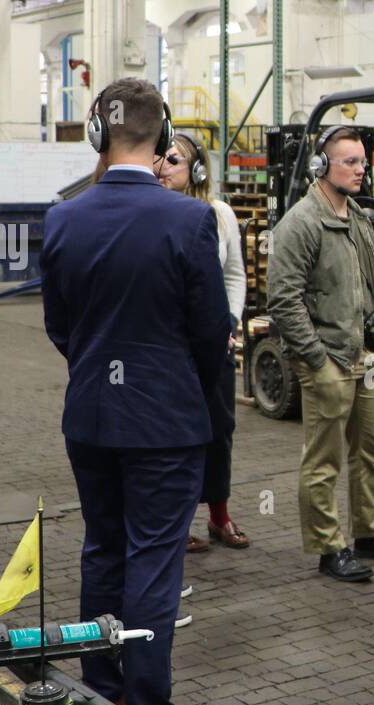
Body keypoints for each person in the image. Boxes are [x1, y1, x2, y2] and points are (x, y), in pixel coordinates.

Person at [41, 77, 238, 705]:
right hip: (167, 421)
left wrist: (100, 369)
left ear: (98, 133)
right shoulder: (190, 219)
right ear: (162, 137)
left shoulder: (63, 217)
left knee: (102, 550)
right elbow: (212, 331)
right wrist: (184, 385)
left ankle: (101, 691)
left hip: (92, 415)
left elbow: (59, 326)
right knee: (154, 564)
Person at [267, 125, 374, 583]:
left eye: (362, 161)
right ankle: (328, 545)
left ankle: (369, 532)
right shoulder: (301, 223)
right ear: (322, 165)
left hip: (369, 353)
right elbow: (284, 300)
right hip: (330, 360)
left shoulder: (355, 215)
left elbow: (369, 285)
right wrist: (316, 359)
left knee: (371, 451)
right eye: (350, 161)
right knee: (324, 460)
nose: (361, 169)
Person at [155, 132, 250, 555]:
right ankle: (177, 522)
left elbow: (234, 274)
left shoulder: (219, 213)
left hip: (214, 342)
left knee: (219, 429)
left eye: (172, 161)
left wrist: (229, 320)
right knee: (175, 435)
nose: (162, 167)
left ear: (195, 169)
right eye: (160, 159)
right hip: (172, 347)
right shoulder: (154, 211)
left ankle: (219, 515)